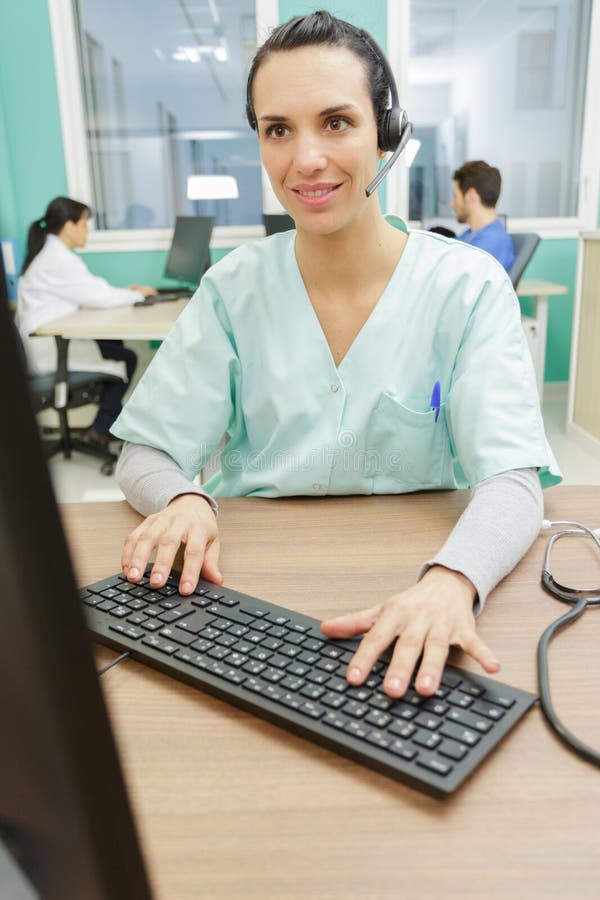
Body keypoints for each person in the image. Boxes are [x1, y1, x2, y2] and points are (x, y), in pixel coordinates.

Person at [112, 11, 560, 700]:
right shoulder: (234, 288)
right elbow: (144, 451)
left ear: (386, 134)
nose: (306, 160)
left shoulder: (466, 288)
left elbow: (512, 481)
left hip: (411, 578)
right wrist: (184, 499)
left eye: (337, 122)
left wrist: (453, 581)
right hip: (245, 598)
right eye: (278, 130)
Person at [16, 196, 157, 447]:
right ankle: (100, 429)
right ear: (69, 226)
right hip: (48, 349)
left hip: (48, 341)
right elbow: (97, 296)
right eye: (84, 224)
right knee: (126, 357)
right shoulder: (58, 259)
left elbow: (86, 291)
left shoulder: (51, 253)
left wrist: (125, 292)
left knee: (114, 348)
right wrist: (136, 295)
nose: (87, 230)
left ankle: (104, 424)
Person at [451, 160, 516, 271]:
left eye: (456, 196)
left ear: (471, 195)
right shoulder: (469, 235)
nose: (452, 204)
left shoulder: (494, 243)